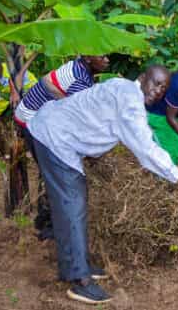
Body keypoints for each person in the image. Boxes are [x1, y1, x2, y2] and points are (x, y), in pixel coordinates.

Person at [27, 65, 178, 305]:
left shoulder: (122, 86)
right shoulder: (130, 103)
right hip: (53, 135)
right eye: (156, 83)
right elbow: (146, 148)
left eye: (163, 88)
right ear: (142, 78)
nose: (158, 91)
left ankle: (79, 264)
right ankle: (80, 281)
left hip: (52, 127)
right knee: (72, 206)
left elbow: (97, 115)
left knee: (73, 204)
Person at [13, 55, 110, 240]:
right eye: (102, 56)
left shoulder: (80, 69)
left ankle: (44, 219)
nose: (107, 60)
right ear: (88, 58)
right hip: (33, 122)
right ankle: (51, 228)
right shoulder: (79, 80)